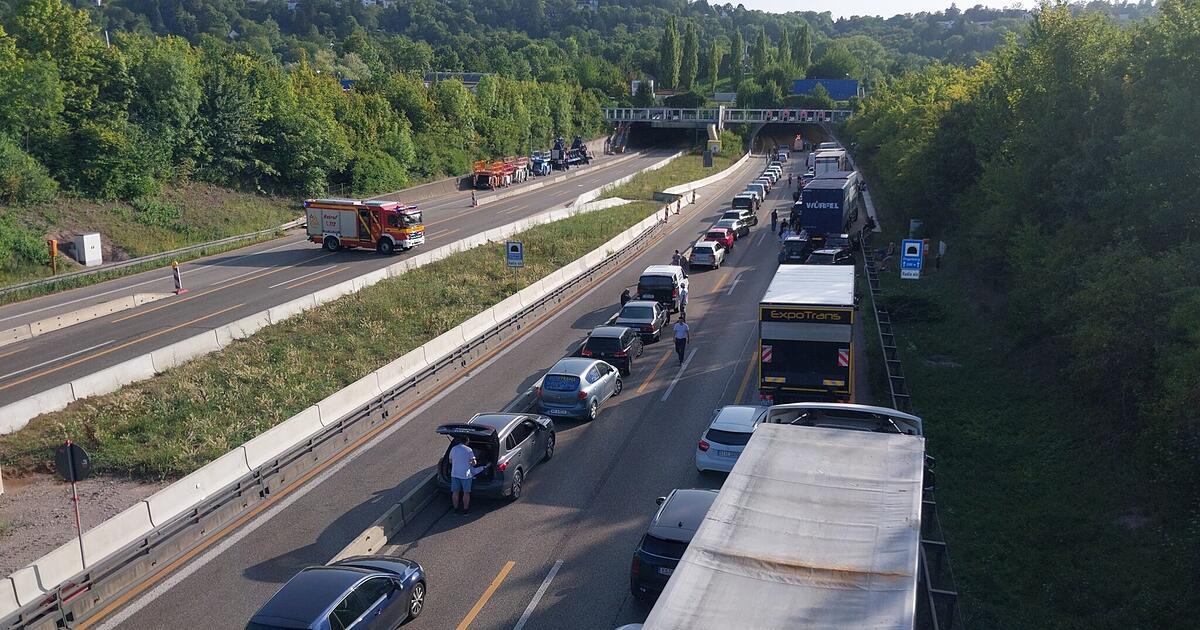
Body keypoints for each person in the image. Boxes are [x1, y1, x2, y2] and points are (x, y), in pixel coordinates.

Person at [449, 437, 477, 514]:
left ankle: (455, 509)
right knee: (466, 493)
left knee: (455, 492)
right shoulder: (469, 450)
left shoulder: (453, 449)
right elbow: (473, 463)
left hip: (454, 474)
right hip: (465, 475)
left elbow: (450, 461)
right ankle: (465, 510)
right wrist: (473, 462)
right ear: (467, 441)